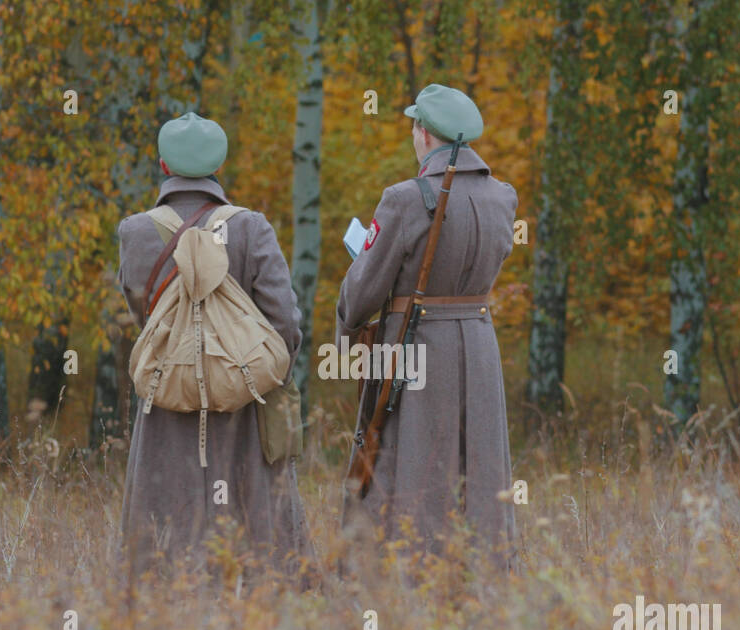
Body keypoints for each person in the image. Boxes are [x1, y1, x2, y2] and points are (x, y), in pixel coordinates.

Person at [117, 112, 309, 576]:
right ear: (218, 166)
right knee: (250, 522)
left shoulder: (136, 231)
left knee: (164, 525)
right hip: (242, 402)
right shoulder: (251, 228)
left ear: (164, 165)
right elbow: (285, 321)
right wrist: (262, 375)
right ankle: (255, 588)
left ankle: (162, 586)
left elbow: (140, 313)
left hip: (166, 401)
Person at [337, 84, 518, 555]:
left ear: (423, 133)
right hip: (479, 346)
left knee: (408, 463)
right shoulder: (504, 197)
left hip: (414, 350)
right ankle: (482, 568)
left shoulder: (403, 198)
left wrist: (357, 280)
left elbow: (360, 298)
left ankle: (406, 572)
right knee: (478, 465)